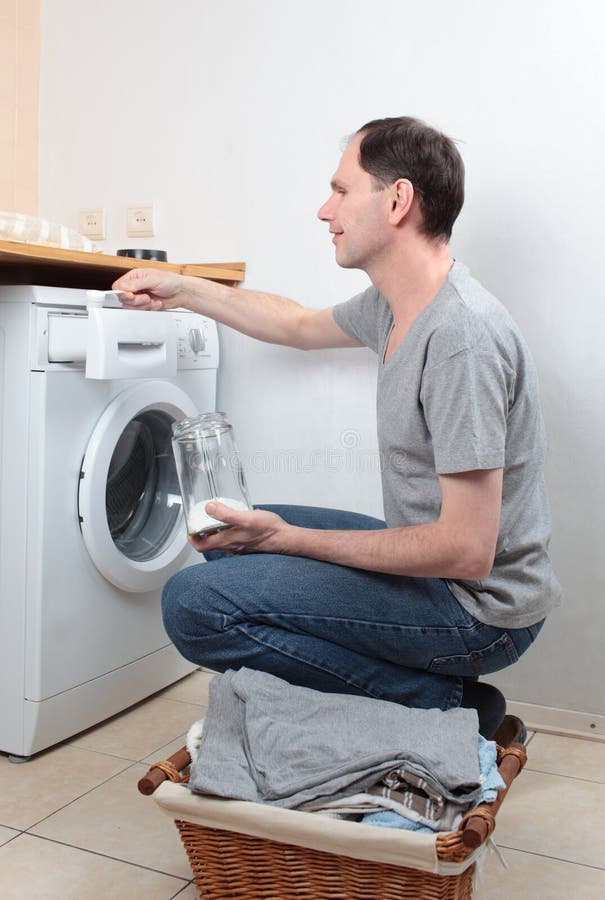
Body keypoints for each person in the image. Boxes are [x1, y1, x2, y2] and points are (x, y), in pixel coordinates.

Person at [113, 116, 562, 739]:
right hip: (444, 577)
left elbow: (466, 549)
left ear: (398, 200)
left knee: (194, 606)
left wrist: (290, 539)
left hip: (480, 611)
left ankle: (443, 705)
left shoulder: (461, 337)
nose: (325, 210)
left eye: (342, 190)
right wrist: (184, 288)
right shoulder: (397, 305)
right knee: (235, 528)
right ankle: (440, 696)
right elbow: (294, 325)